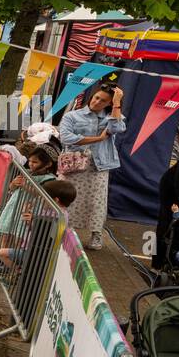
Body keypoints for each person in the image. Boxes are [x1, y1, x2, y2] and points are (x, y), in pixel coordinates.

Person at [58, 83, 126, 250]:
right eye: (96, 98)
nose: (97, 102)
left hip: (98, 165)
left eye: (103, 101)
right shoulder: (73, 116)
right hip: (73, 164)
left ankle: (96, 235)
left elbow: (118, 127)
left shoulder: (110, 116)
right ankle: (63, 231)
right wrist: (97, 139)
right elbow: (65, 137)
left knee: (97, 201)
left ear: (109, 104)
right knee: (67, 198)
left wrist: (117, 103)